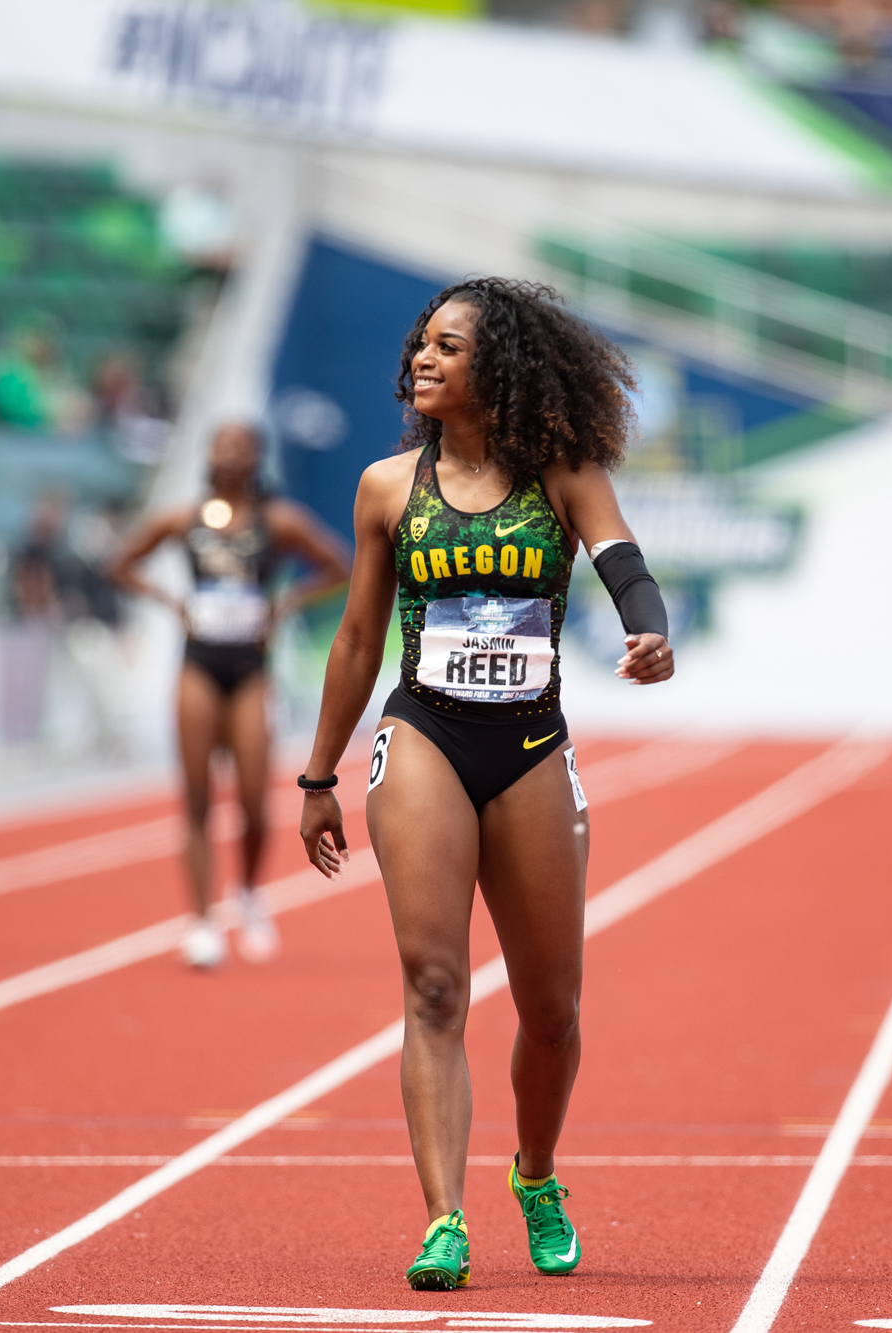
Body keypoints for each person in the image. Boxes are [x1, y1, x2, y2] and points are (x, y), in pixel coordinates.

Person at [295, 278, 672, 1291]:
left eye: (446, 347)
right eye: (420, 344)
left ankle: (535, 1173)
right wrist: (317, 773)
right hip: (423, 732)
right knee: (432, 984)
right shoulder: (386, 487)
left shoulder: (561, 472)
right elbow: (359, 639)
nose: (421, 359)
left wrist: (649, 628)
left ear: (494, 368)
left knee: (551, 1006)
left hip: (530, 745)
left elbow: (622, 562)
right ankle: (442, 1219)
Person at [109, 421, 350, 967]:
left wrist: (283, 604)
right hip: (199, 663)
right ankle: (201, 920)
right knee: (196, 796)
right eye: (221, 444)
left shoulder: (277, 520)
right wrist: (171, 603)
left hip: (251, 669)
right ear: (209, 456)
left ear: (256, 458)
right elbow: (120, 564)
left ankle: (248, 895)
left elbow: (338, 563)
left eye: (241, 446)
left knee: (252, 799)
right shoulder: (184, 518)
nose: (230, 453)